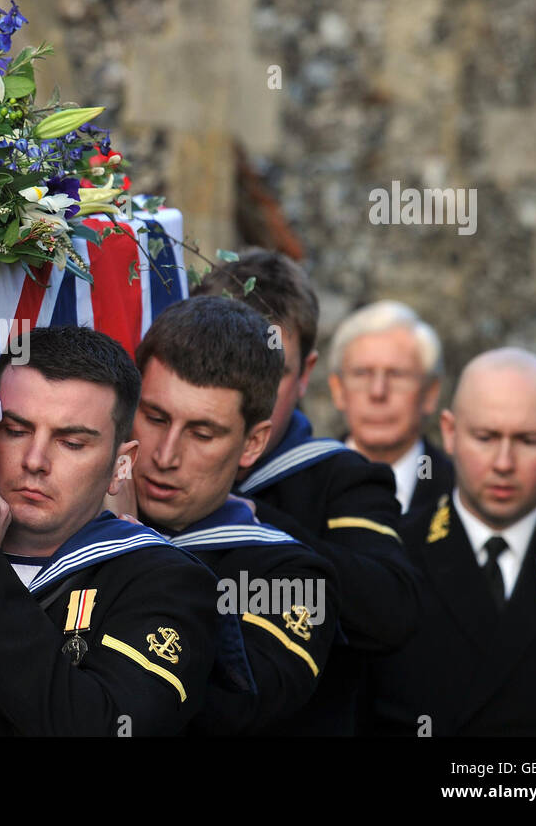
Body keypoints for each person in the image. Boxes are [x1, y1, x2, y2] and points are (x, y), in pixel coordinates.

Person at [0, 326, 222, 736]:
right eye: (16, 431)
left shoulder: (167, 584)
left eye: (72, 442)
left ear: (120, 465)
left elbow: (102, 726)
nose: (35, 460)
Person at [191, 249, 419, 734]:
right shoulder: (148, 468)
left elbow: (389, 612)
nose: (243, 391)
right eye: (221, 363)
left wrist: (246, 520)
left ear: (308, 373)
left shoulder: (339, 478)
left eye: (270, 369)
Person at [366, 348, 536, 735]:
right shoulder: (388, 556)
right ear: (450, 433)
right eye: (485, 437)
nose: (504, 462)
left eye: (528, 440)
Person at [117, 296, 341, 734]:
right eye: (155, 417)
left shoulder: (291, 577)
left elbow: (234, 709)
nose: (165, 455)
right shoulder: (69, 520)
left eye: (202, 433)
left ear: (253, 443)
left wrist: (133, 545)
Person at [328, 300, 453, 514]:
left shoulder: (460, 491)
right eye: (362, 373)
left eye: (397, 375)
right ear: (338, 389)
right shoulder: (300, 486)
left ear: (430, 393)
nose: (378, 392)